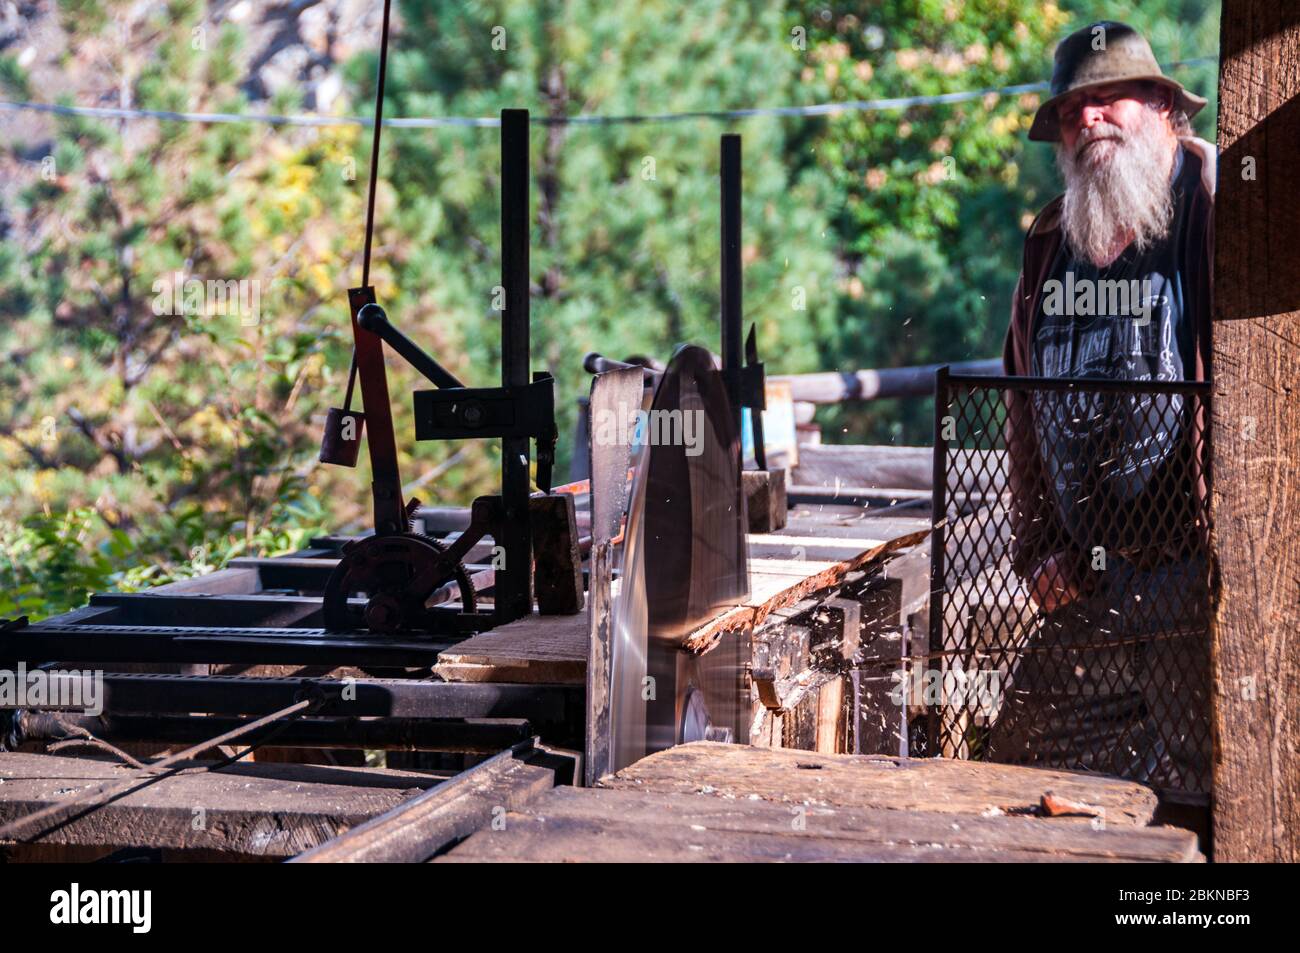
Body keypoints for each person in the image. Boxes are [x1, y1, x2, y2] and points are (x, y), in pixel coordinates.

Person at [994, 21, 1215, 793]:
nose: (1087, 118)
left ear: (1161, 104)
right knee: (1020, 771)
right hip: (1092, 584)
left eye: (1108, 97)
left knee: (1214, 792)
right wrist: (1037, 549)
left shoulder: (1218, 206)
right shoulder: (1053, 239)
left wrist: (1240, 557)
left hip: (1200, 577)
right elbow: (1022, 407)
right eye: (1071, 109)